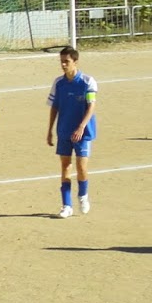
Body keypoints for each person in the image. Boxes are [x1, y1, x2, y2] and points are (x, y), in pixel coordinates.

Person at [46, 45, 98, 218]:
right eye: (61, 62)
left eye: (66, 62)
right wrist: (50, 130)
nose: (63, 65)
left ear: (75, 61)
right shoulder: (58, 83)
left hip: (83, 133)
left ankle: (83, 195)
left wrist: (81, 126)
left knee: (81, 167)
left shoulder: (87, 82)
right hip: (64, 131)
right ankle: (66, 205)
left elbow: (91, 107)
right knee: (65, 166)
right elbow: (54, 107)